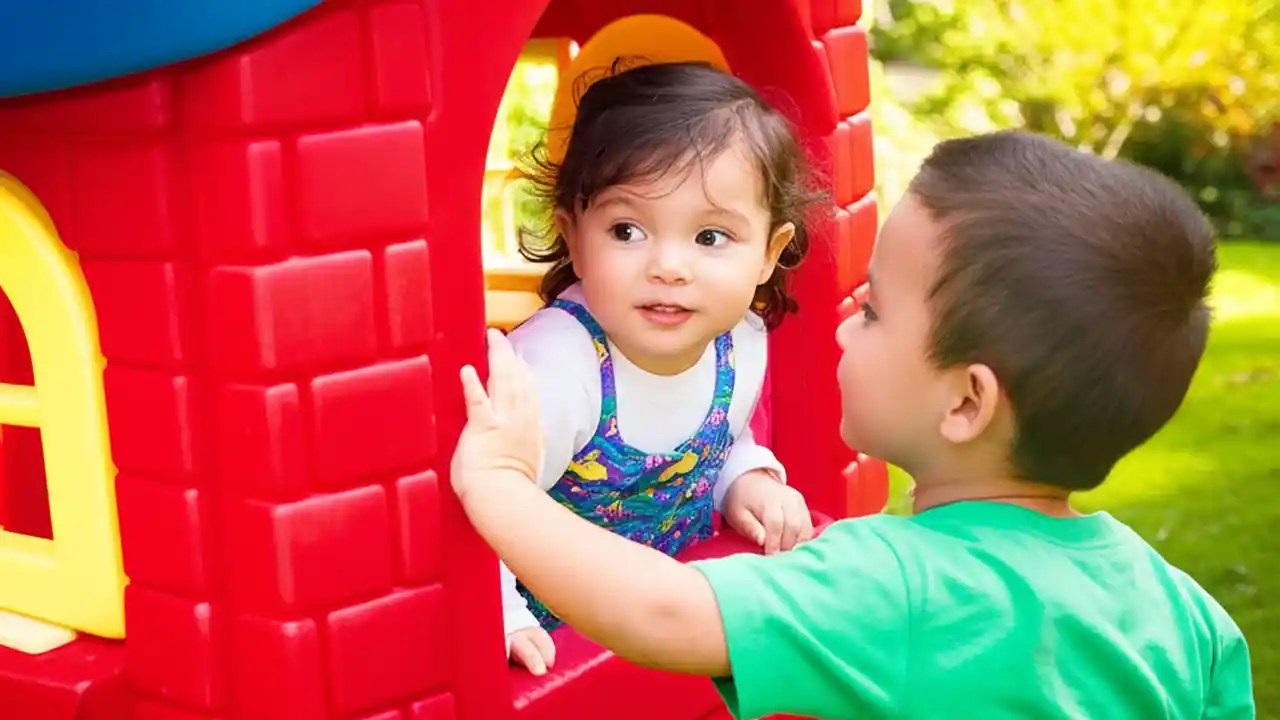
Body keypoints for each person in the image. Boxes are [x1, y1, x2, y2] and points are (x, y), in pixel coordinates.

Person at [455, 130, 1256, 718]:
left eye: (872, 311)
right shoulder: (1186, 615)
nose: (842, 328)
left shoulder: (890, 584)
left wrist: (498, 485)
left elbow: (663, 613)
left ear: (967, 403)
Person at [498, 61, 824, 675]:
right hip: (559, 646)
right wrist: (500, 613)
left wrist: (746, 479)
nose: (669, 266)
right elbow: (488, 496)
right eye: (628, 230)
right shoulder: (558, 368)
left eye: (710, 237)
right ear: (574, 235)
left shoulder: (740, 340)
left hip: (666, 627)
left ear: (768, 253)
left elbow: (720, 439)